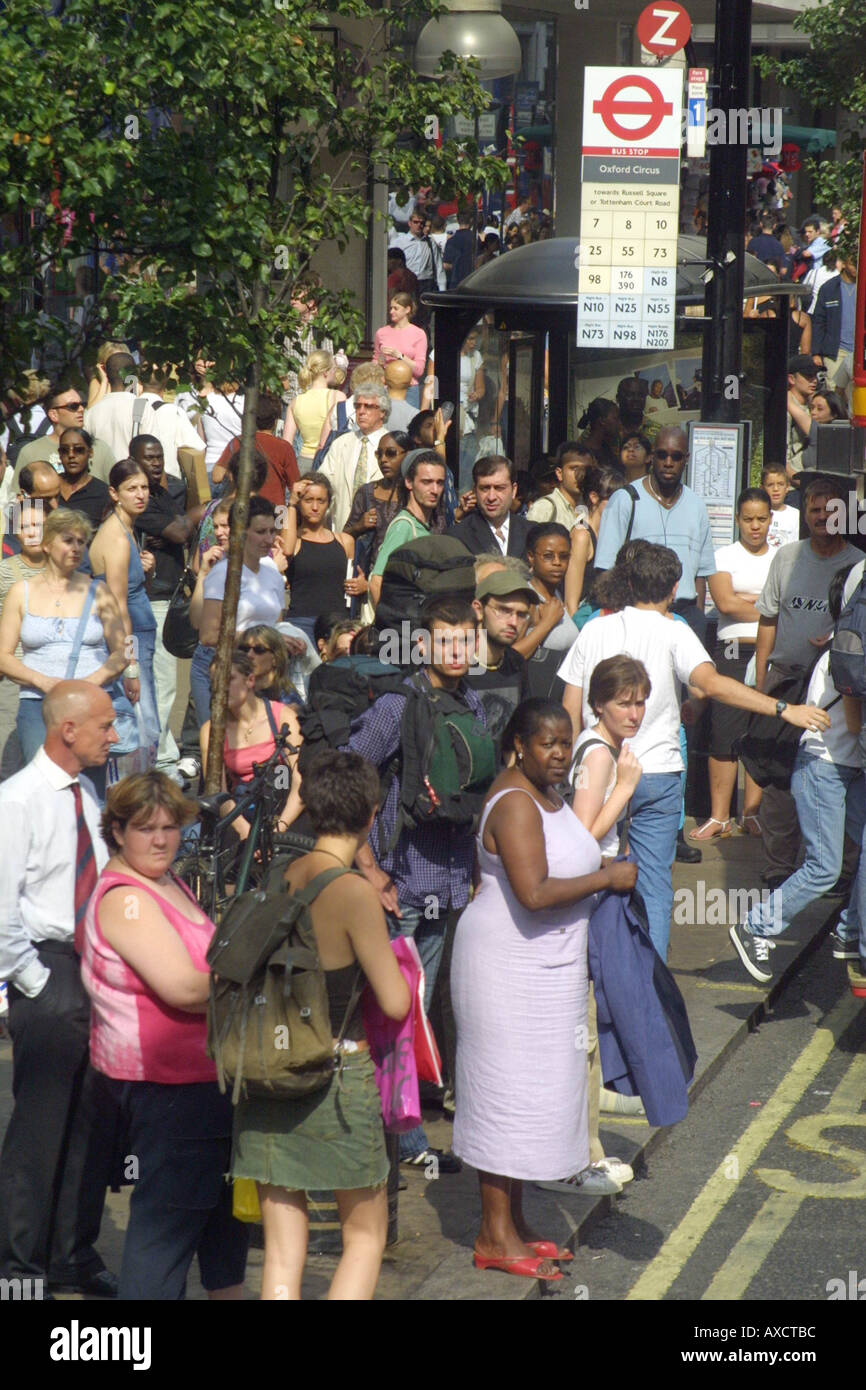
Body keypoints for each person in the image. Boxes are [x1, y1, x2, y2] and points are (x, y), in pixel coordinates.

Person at [559, 542, 831, 958]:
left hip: (597, 773)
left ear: (628, 583)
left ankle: (590, 968)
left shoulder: (595, 627)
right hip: (657, 775)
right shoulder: (675, 631)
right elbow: (712, 682)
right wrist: (781, 707)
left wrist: (574, 766)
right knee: (653, 886)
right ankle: (651, 985)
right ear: (672, 588)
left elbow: (569, 705)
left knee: (590, 871)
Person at [451, 699, 637, 1282]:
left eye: (565, 743)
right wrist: (607, 875)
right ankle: (491, 1233)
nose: (559, 754)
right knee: (502, 1095)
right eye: (546, 744)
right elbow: (532, 891)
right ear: (519, 746)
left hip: (546, 966)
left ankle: (516, 1223)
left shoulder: (548, 797)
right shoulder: (513, 802)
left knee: (532, 1096)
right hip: (505, 966)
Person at [232, 749, 410, 1300]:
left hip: (267, 1074)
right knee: (364, 1235)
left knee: (283, 1250)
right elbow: (395, 1002)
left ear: (307, 806)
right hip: (336, 1077)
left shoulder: (282, 874)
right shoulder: (354, 893)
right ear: (372, 815)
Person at [80, 770, 250, 1300]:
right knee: (162, 1245)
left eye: (169, 827)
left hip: (205, 1082)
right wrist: (256, 976)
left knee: (224, 1242)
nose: (159, 839)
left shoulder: (165, 880)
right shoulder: (125, 897)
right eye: (143, 827)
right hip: (169, 1090)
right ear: (117, 831)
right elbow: (182, 987)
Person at [347, 594, 493, 1170]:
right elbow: (346, 774)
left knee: (418, 1008)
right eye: (445, 640)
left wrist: (477, 874)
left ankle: (401, 1131)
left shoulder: (473, 702)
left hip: (449, 884)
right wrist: (368, 866)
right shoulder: (396, 706)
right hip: (401, 886)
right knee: (397, 1011)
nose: (458, 651)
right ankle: (397, 1141)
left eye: (466, 639)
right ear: (423, 644)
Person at [0, 682, 119, 1296]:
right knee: (41, 1128)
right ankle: (19, 1268)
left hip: (93, 971)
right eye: (104, 724)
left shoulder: (88, 793)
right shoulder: (17, 801)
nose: (115, 733)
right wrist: (36, 982)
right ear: (67, 729)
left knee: (91, 1127)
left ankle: (73, 1252)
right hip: (49, 973)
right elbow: (2, 911)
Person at [542, 655, 649, 1196]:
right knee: (580, 1027)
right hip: (589, 896)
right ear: (599, 703)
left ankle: (589, 1150)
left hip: (591, 896)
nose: (635, 711)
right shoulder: (601, 754)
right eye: (624, 701)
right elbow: (584, 836)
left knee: (588, 1025)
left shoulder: (596, 746)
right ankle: (577, 1158)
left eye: (640, 700)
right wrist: (625, 789)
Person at [730, 565, 864, 984]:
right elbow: (857, 727)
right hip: (822, 769)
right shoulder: (845, 655)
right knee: (823, 866)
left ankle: (850, 931)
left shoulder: (847, 645)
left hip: (847, 771)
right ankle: (754, 926)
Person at [753, 476, 862, 888]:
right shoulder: (787, 557)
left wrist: (836, 638)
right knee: (777, 776)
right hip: (785, 681)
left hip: (837, 692)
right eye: (814, 509)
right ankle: (780, 866)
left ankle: (841, 870)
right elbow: (768, 618)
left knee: (838, 773)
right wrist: (762, 678)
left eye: (830, 510)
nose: (821, 517)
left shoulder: (856, 563)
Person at [0, 509, 128, 761]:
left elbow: (124, 650)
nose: (76, 548)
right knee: (41, 780)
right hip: (38, 704)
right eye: (68, 540)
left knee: (90, 786)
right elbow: (3, 656)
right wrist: (43, 681)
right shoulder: (21, 592)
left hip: (92, 702)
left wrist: (91, 682)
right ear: (47, 544)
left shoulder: (98, 590)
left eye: (82, 542)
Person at [696, 487, 775, 839]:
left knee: (760, 730)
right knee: (724, 730)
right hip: (730, 649)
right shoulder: (723, 555)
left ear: (770, 519)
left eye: (761, 519)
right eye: (748, 519)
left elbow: (784, 606)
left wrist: (751, 601)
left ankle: (752, 813)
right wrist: (765, 606)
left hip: (768, 651)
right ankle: (718, 816)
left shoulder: (784, 558)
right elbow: (726, 603)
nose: (754, 526)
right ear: (738, 520)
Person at [594, 426, 715, 641]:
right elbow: (605, 570)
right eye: (662, 455)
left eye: (676, 456)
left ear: (686, 458)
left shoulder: (697, 506)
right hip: (636, 611)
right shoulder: (625, 500)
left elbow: (700, 576)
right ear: (651, 457)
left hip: (684, 614)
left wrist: (697, 620)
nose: (668, 463)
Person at [129, 434, 193, 775]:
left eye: (159, 457)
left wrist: (179, 524)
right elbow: (182, 533)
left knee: (161, 681)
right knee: (160, 682)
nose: (156, 463)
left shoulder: (166, 495)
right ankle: (160, 757)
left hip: (168, 594)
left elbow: (180, 530)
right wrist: (189, 519)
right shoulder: (142, 504)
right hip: (151, 599)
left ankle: (163, 750)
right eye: (149, 458)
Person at [191, 496, 285, 723]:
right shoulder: (222, 574)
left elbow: (277, 624)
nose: (269, 539)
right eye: (261, 532)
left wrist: (285, 639)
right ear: (241, 532)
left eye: (272, 531)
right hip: (225, 673)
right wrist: (262, 641)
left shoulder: (272, 571)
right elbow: (208, 634)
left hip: (265, 677)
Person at [90, 458, 160, 753]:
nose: (141, 494)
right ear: (114, 493)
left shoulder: (128, 529)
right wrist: (129, 665)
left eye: (144, 487)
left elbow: (132, 590)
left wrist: (149, 570)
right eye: (131, 488)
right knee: (143, 728)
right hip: (131, 644)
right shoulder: (116, 537)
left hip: (141, 638)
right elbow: (119, 608)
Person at [200, 649, 303, 838]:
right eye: (215, 681)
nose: (220, 687)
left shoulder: (283, 717)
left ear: (250, 680)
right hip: (240, 814)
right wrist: (246, 832)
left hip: (283, 810)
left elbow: (300, 780)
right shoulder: (212, 730)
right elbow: (218, 792)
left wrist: (280, 828)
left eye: (228, 679)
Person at [282, 473, 355, 644]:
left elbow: (355, 577)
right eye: (308, 500)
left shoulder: (344, 541)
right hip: (302, 623)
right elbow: (286, 549)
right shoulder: (295, 541)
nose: (315, 507)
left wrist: (361, 585)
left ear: (328, 503)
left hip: (338, 624)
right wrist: (291, 504)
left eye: (320, 501)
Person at [368, 450, 446, 608]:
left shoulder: (424, 525)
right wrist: (389, 627)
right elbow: (377, 581)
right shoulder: (403, 526)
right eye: (426, 482)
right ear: (409, 482)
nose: (435, 490)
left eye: (440, 483)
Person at [466, 566, 533, 747]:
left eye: (521, 615)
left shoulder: (516, 664)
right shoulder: (456, 663)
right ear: (478, 609)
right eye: (504, 610)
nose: (513, 622)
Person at [319, 384, 390, 533]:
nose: (361, 411)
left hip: (379, 531)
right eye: (358, 406)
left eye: (369, 406)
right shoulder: (341, 443)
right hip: (343, 529)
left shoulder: (392, 445)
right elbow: (323, 481)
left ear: (382, 412)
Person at [12, 384, 115, 485]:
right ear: (54, 415)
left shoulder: (100, 448)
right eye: (73, 406)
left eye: (82, 404)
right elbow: (18, 499)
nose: (81, 409)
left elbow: (115, 492)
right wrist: (44, 502)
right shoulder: (30, 452)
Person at [213, 392, 299, 506]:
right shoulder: (284, 447)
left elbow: (216, 476)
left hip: (243, 508)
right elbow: (295, 485)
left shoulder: (238, 442)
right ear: (276, 421)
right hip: (276, 511)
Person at [522, 523, 578, 697]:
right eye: (548, 556)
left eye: (564, 556)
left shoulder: (557, 595)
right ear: (531, 557)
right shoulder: (525, 600)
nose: (557, 563)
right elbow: (510, 659)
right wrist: (546, 624)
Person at [564, 465, 626, 618]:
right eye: (614, 500)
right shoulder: (581, 535)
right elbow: (571, 602)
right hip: (584, 618)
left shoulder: (613, 532)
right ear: (594, 497)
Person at [344, 430, 410, 572]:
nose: (383, 460)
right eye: (379, 454)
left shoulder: (415, 493)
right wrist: (359, 526)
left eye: (391, 453)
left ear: (408, 454)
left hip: (405, 575)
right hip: (370, 576)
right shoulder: (367, 493)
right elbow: (345, 536)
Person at [447, 455, 530, 559]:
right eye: (485, 488)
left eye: (499, 488)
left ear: (514, 490)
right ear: (475, 490)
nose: (491, 497)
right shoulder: (458, 536)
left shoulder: (532, 533)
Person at [83, 352, 160, 463]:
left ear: (107, 376)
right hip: (133, 475)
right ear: (133, 375)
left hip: (102, 478)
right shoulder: (143, 407)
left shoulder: (92, 412)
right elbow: (152, 451)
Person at [281, 351, 347, 472]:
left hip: (303, 462)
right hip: (328, 461)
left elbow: (286, 444)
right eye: (334, 369)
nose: (335, 372)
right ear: (326, 372)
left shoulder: (296, 401)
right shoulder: (338, 397)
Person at [373, 294, 427, 408]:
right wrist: (380, 361)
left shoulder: (419, 334)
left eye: (396, 308)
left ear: (407, 309)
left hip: (409, 389)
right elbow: (376, 361)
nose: (391, 311)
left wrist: (399, 356)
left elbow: (419, 370)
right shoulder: (382, 333)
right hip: (385, 387)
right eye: (390, 308)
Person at [526, 442, 592, 531]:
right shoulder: (545, 508)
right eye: (574, 468)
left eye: (586, 469)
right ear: (559, 473)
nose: (580, 474)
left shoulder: (588, 507)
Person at [56, 428, 110, 527]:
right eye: (65, 450)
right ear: (59, 454)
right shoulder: (46, 487)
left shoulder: (103, 494)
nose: (71, 455)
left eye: (78, 450)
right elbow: (22, 527)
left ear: (90, 452)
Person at [237, 624, 300, 704]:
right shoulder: (235, 693)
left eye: (259, 649)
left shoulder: (288, 699)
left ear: (276, 658)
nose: (249, 655)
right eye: (244, 649)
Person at [786, 353, 818, 480]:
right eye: (808, 376)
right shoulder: (786, 412)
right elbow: (783, 459)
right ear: (791, 379)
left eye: (815, 375)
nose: (814, 380)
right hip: (794, 482)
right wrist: (799, 483)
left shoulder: (814, 405)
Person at [801, 388, 849, 470]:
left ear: (834, 414)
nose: (813, 412)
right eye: (811, 407)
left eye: (820, 409)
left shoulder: (818, 430)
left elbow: (791, 405)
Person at [761, 463, 801, 549]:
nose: (775, 489)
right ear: (762, 488)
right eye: (770, 485)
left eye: (780, 484)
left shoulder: (796, 515)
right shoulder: (758, 514)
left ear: (787, 487)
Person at [578, 398, 621, 473]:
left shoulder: (607, 450)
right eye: (616, 419)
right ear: (602, 421)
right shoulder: (584, 454)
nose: (619, 423)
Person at [443, 209, 475, 289]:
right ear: (472, 220)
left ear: (457, 220)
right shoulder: (475, 239)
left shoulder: (452, 240)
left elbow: (446, 265)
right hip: (473, 280)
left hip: (456, 281)